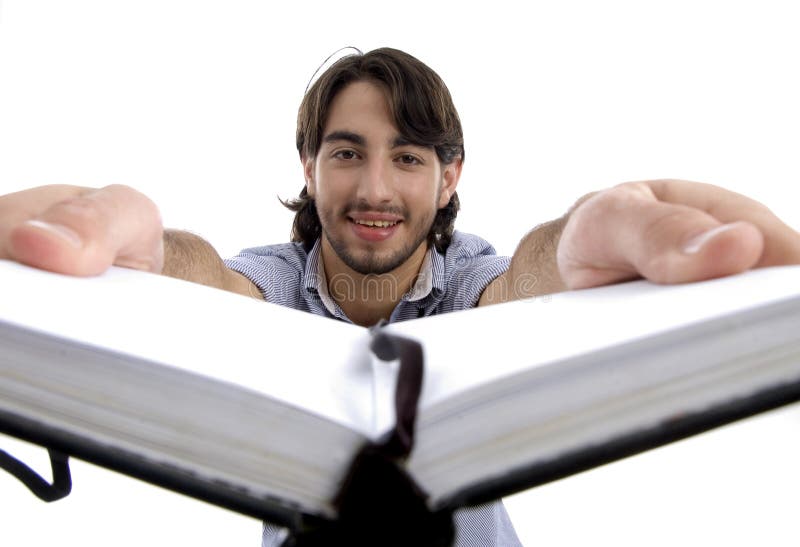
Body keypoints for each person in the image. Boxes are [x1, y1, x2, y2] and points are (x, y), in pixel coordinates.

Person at [1, 47, 799, 546]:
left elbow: (520, 283)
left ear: (451, 176)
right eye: (347, 152)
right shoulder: (275, 278)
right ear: (308, 165)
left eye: (409, 158)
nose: (374, 189)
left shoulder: (468, 276)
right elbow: (218, 285)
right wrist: (143, 269)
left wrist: (573, 241)